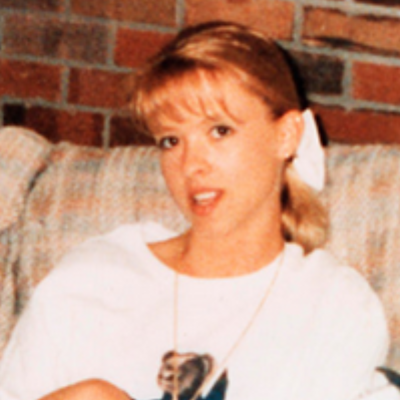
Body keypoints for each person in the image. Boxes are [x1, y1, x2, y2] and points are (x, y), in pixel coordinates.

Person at [0, 20, 398, 400]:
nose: (191, 165)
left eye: (219, 131)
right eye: (171, 141)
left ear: (287, 135)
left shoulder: (330, 303)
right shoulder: (96, 276)